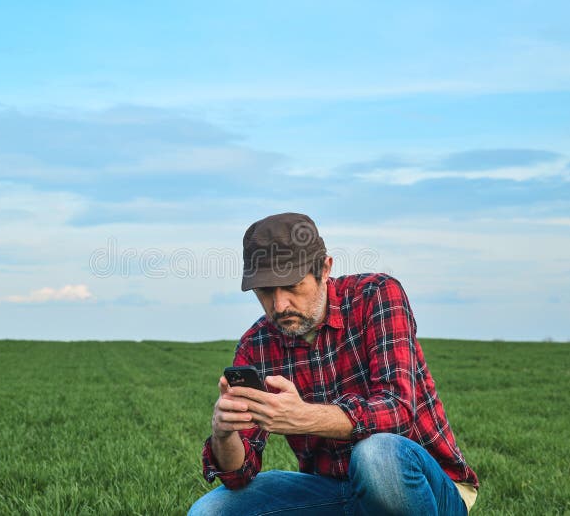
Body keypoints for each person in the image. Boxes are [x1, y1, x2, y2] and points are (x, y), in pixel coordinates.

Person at [189, 213, 479, 516]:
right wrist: (224, 434)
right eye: (265, 291)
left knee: (375, 455)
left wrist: (303, 417)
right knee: (209, 511)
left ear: (324, 269)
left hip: (423, 489)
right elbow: (239, 473)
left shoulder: (376, 296)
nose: (279, 305)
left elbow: (397, 412)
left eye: (292, 286)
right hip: (332, 491)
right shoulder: (256, 345)